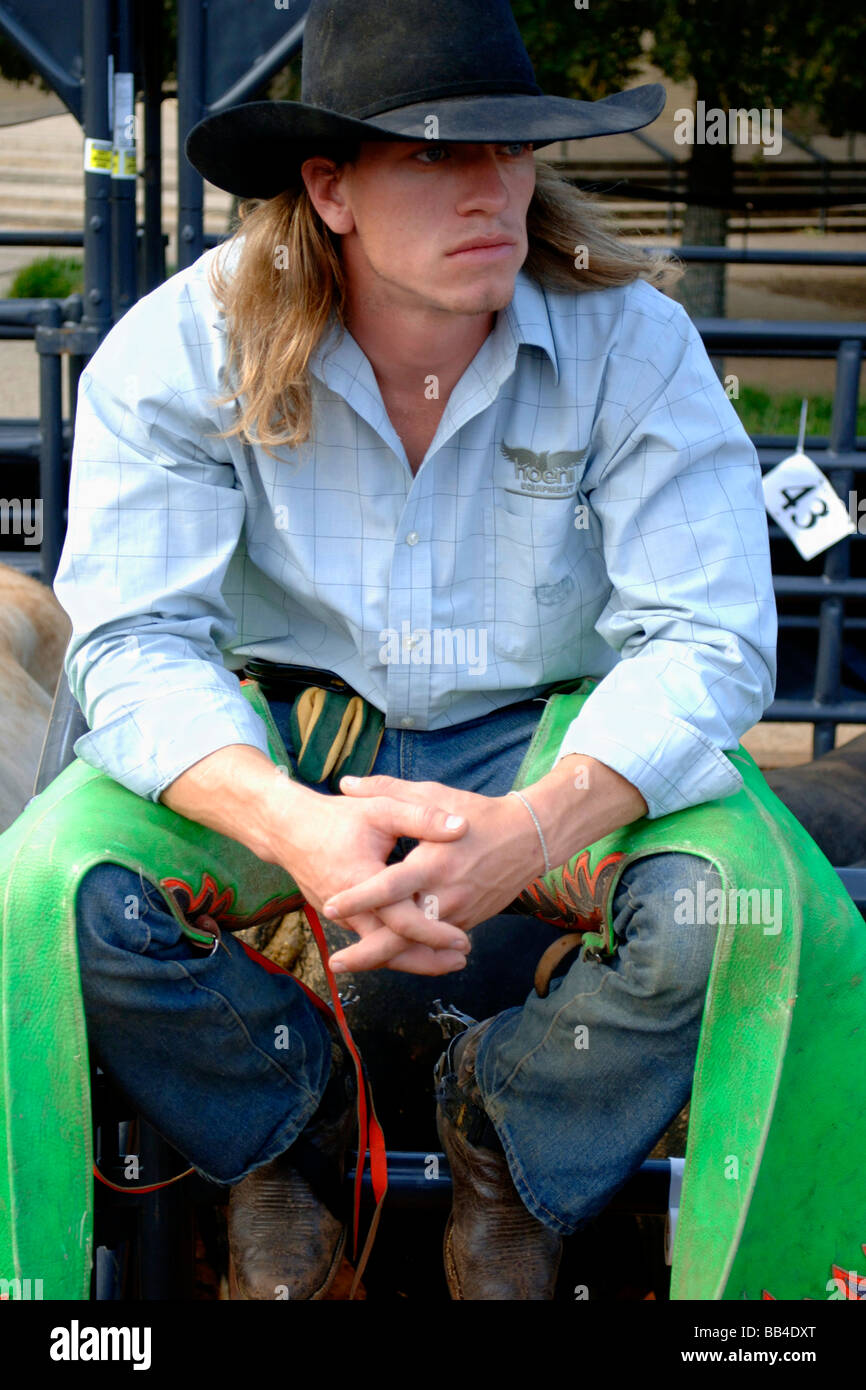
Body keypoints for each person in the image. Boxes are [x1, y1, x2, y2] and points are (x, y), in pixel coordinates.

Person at [54, 0, 777, 1300]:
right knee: (60, 905)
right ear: (327, 186)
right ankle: (287, 1131)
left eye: (510, 151)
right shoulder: (179, 346)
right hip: (284, 731)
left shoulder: (635, 341)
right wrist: (286, 820)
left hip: (550, 732)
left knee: (736, 920)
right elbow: (131, 637)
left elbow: (708, 637)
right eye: (438, 153)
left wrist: (532, 828)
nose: (491, 188)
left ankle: (501, 1130)